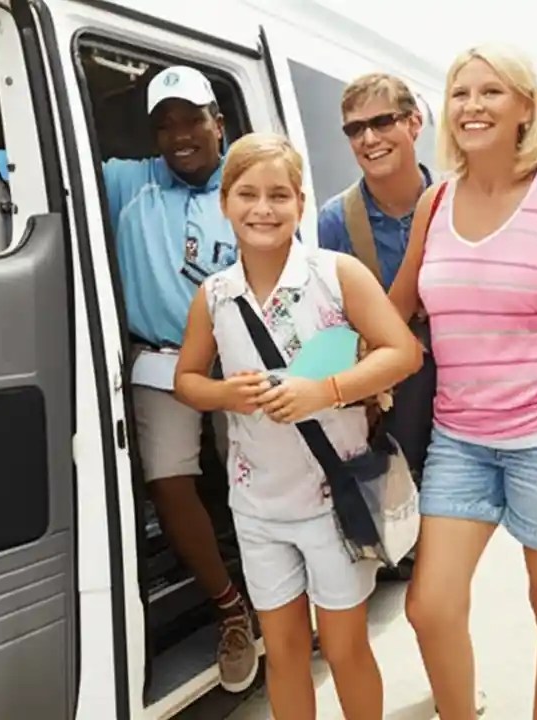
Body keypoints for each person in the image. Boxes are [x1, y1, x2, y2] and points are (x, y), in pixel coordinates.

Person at [174, 132, 421, 719]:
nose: (263, 208)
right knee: (283, 653)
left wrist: (325, 391)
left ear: (300, 203)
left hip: (333, 502)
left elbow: (404, 351)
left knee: (343, 647)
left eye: (279, 195)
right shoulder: (215, 295)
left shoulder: (336, 274)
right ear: (224, 202)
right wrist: (225, 394)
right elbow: (187, 379)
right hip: (257, 507)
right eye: (248, 194)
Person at [388, 45, 537, 720]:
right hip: (461, 442)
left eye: (491, 92)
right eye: (460, 93)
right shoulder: (436, 202)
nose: (472, 106)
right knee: (429, 607)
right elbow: (397, 310)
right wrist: (319, 371)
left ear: (526, 106)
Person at [102, 64, 255, 691]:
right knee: (167, 483)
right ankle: (231, 610)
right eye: (165, 125)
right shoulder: (127, 183)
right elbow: (24, 167)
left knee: (257, 480)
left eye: (192, 119)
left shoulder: (248, 185)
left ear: (219, 123)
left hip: (241, 355)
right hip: (162, 361)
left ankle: (282, 593)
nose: (179, 135)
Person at [316, 72, 437, 581]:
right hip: (395, 384)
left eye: (382, 121)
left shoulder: (458, 202)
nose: (368, 139)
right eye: (355, 129)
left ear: (414, 123)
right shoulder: (336, 220)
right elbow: (330, 326)